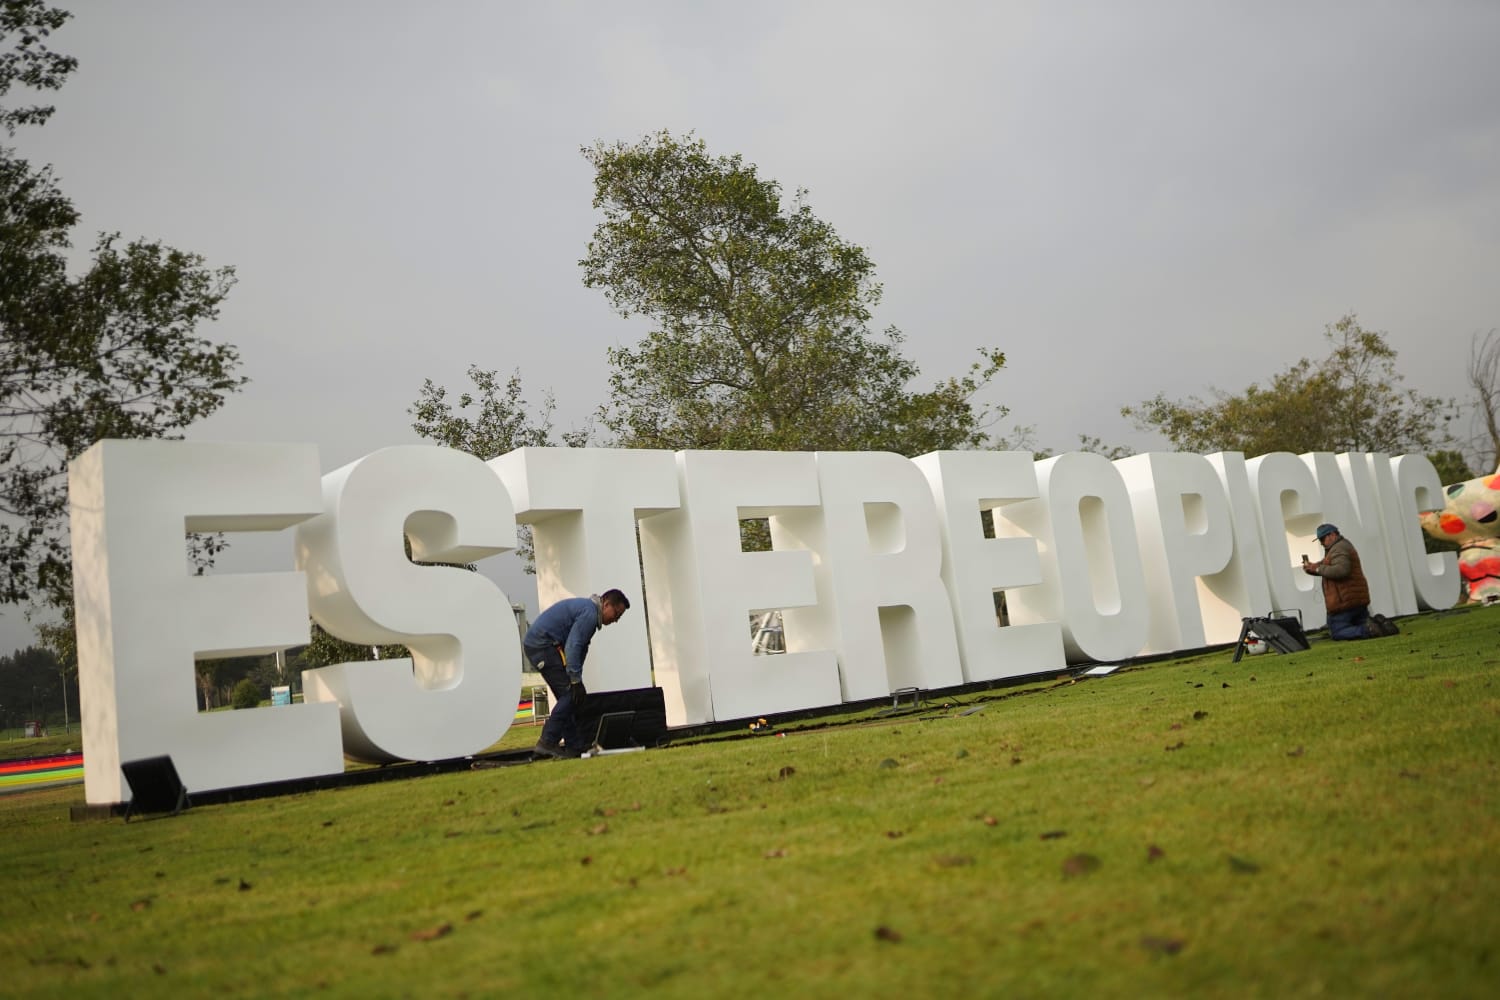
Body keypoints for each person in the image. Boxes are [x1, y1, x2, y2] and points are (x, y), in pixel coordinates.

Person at [521, 589, 630, 758]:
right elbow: (574, 646)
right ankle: (547, 742)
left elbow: (577, 650)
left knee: (569, 697)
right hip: (542, 645)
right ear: (606, 603)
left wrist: (575, 680)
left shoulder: (587, 610)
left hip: (540, 644)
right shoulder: (590, 615)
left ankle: (574, 747)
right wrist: (575, 680)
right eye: (616, 613)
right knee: (570, 694)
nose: (615, 620)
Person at [1301, 523, 1398, 640]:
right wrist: (1312, 568)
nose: (1321, 543)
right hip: (1355, 599)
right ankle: (1381, 625)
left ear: (1332, 535)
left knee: (1337, 632)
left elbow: (1341, 570)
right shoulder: (1341, 546)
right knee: (1361, 623)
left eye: (1322, 539)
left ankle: (1369, 630)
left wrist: (1317, 568)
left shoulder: (1338, 548)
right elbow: (1328, 565)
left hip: (1344, 602)